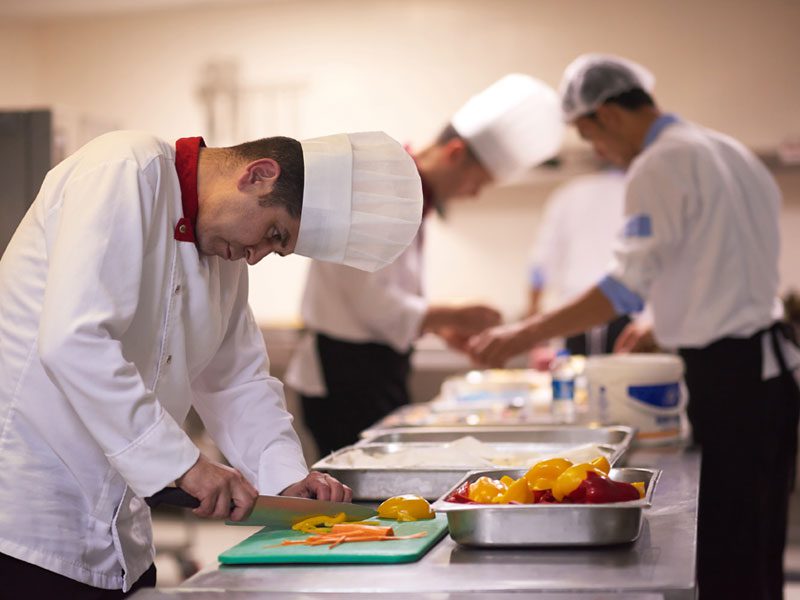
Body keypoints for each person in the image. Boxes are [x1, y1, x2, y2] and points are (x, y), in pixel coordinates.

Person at [0, 129, 423, 597]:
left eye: (276, 249)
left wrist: (287, 479)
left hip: (119, 533)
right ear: (258, 175)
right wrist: (185, 464)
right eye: (274, 233)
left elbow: (236, 380)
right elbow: (72, 340)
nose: (257, 256)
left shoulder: (224, 252)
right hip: (24, 523)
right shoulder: (124, 169)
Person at [468, 54, 800, 599]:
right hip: (772, 370)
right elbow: (717, 264)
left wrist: (521, 334)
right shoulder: (728, 150)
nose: (598, 151)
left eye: (588, 136)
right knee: (758, 544)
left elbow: (622, 286)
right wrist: (661, 319)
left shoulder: (659, 163)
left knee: (726, 547)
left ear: (607, 116)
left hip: (730, 375)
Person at [286, 74, 564, 457]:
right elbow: (369, 301)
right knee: (360, 510)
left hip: (374, 370)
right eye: (477, 182)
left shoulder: (411, 197)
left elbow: (389, 293)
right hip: (343, 376)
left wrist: (441, 325)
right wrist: (450, 313)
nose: (475, 195)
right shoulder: (375, 186)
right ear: (453, 153)